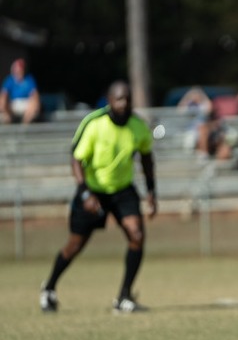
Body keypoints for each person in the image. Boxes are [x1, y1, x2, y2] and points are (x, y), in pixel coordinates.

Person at [40, 81, 157, 313]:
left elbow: (146, 158)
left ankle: (124, 297)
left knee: (137, 235)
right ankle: (49, 288)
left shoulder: (138, 126)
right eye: (118, 99)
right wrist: (85, 193)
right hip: (93, 190)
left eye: (127, 99)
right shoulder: (95, 124)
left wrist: (152, 191)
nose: (123, 103)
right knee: (75, 245)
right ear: (109, 101)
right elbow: (76, 158)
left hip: (123, 189)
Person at [0, 58, 41, 124]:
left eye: (21, 69)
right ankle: (8, 122)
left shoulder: (29, 79)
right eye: (17, 69)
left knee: (35, 101)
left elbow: (34, 94)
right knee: (2, 99)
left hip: (26, 104)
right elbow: (4, 94)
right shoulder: (9, 80)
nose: (19, 71)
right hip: (13, 104)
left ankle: (24, 126)